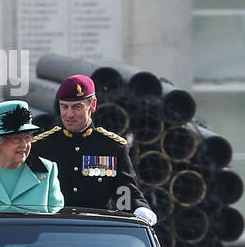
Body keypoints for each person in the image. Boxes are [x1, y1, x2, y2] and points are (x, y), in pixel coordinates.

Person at [32, 74, 155, 224]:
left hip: (94, 233)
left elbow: (125, 194)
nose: (69, 114)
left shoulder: (111, 148)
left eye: (77, 107)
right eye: (64, 106)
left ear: (93, 105)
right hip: (51, 232)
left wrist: (139, 209)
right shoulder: (42, 146)